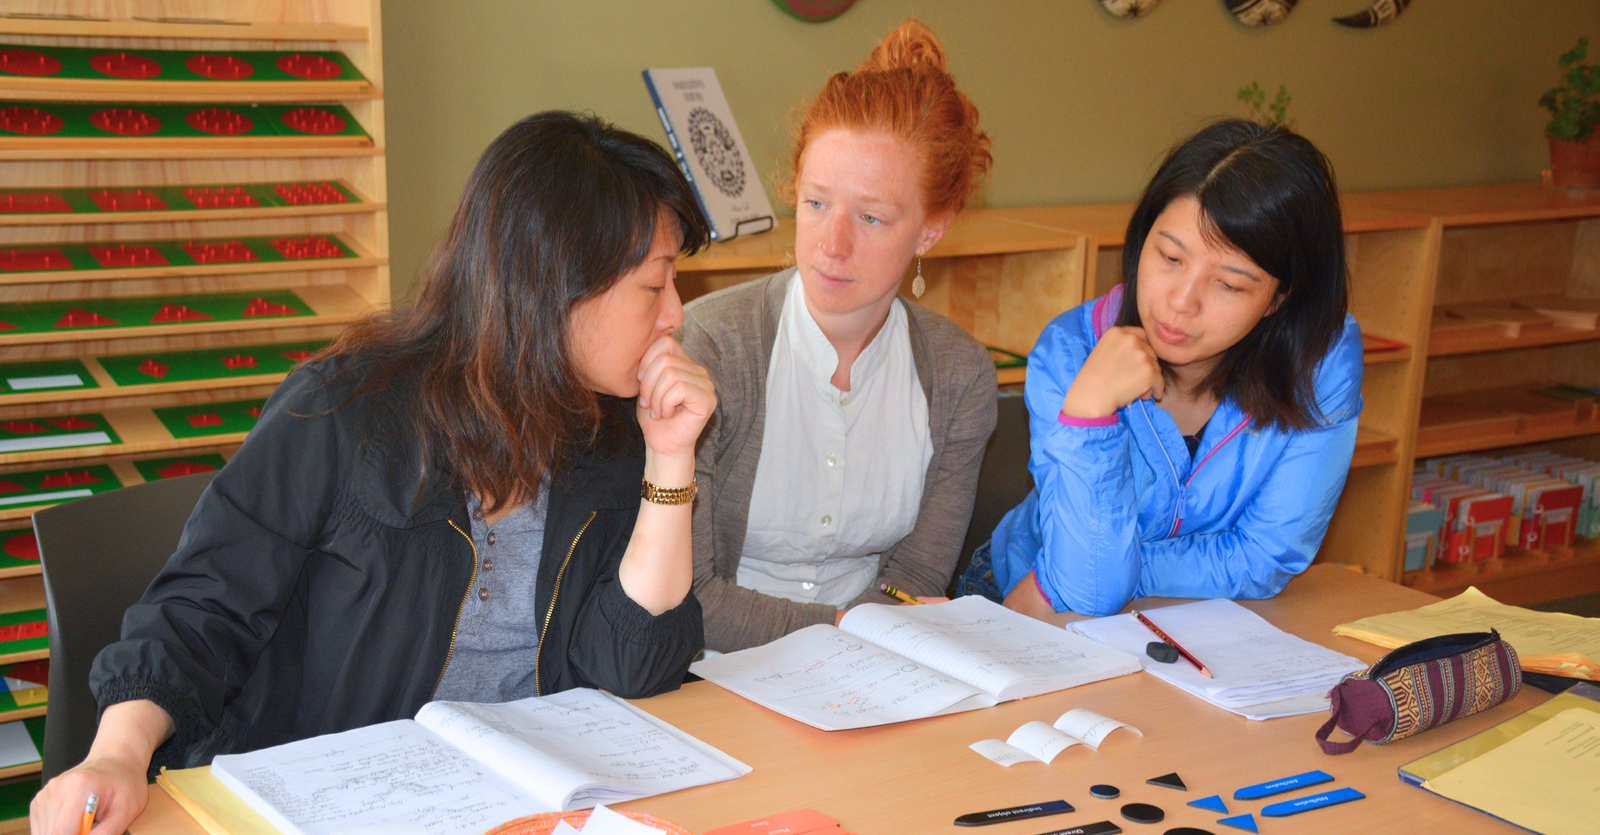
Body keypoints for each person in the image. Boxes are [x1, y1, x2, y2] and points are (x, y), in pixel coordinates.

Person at [31, 111, 715, 835]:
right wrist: (115, 754)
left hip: (523, 809)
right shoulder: (342, 410)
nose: (676, 314)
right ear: (559, 288)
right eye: (656, 284)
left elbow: (633, 668)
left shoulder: (609, 429)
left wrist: (670, 459)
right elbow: (201, 609)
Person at [680, 19, 998, 652]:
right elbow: (688, 596)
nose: (833, 245)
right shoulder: (712, 347)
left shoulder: (959, 377)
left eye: (872, 217)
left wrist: (864, 635)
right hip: (708, 673)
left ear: (931, 230)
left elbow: (915, 578)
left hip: (872, 672)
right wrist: (847, 629)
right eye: (817, 203)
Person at [964, 118, 1362, 618]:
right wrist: (1089, 415)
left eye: (1230, 285)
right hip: (1022, 602)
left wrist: (1130, 567)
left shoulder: (1321, 361)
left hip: (1187, 614)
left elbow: (1267, 557)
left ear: (1278, 299)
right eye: (1170, 257)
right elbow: (1090, 593)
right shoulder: (1069, 352)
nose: (1180, 302)